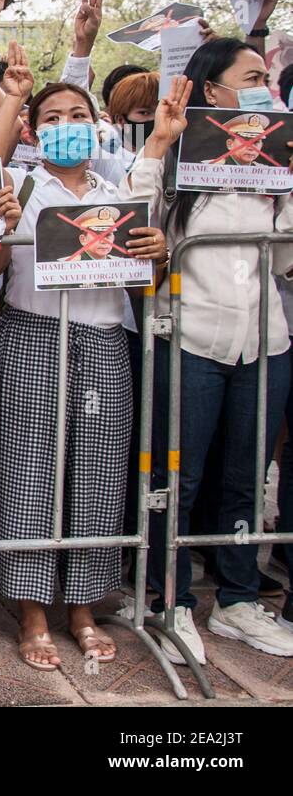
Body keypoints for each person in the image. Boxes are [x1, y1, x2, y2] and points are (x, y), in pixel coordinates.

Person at [0, 46, 169, 670]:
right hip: (32, 336)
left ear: (96, 124)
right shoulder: (21, 187)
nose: (65, 125)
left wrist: (157, 253)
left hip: (105, 340)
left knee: (99, 475)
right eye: (51, 116)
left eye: (75, 113)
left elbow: (143, 282)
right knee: (29, 473)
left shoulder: (122, 191)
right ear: (34, 128)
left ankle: (83, 606)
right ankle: (30, 610)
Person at [124, 38, 293, 663]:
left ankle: (239, 600)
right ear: (214, 93)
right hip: (189, 339)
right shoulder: (177, 161)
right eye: (251, 79)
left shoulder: (273, 167)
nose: (264, 89)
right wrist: (161, 144)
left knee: (247, 475)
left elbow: (286, 257)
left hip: (265, 342)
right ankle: (169, 600)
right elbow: (132, 224)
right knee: (178, 478)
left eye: (266, 79)